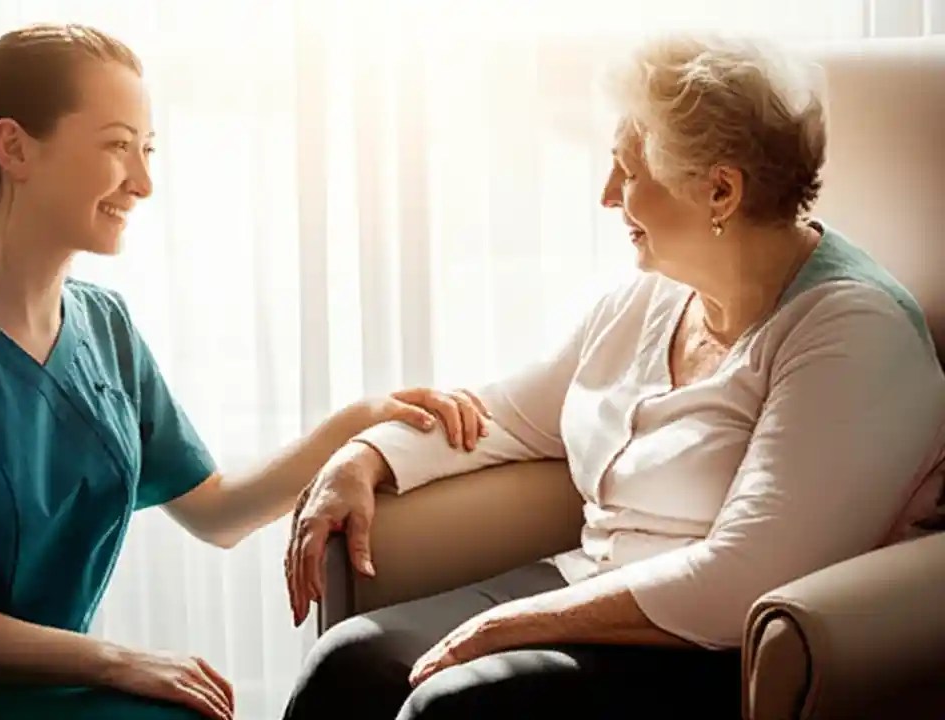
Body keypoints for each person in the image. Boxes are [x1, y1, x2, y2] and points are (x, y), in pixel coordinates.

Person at [0, 22, 490, 720]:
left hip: (38, 690)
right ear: (14, 148)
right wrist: (118, 661)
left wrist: (358, 424)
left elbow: (216, 511)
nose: (143, 182)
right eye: (118, 147)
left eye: (147, 149)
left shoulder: (105, 327)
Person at [281, 32, 945, 720]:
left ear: (720, 189)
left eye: (627, 171)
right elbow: (510, 413)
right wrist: (364, 457)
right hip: (586, 584)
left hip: (708, 647)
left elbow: (745, 575)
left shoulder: (852, 331)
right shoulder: (654, 293)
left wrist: (506, 626)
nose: (606, 196)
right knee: (349, 663)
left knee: (450, 707)